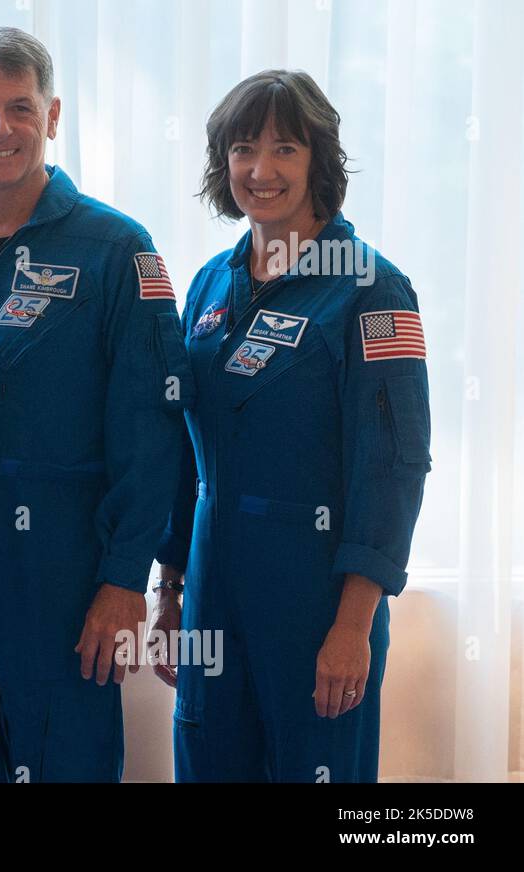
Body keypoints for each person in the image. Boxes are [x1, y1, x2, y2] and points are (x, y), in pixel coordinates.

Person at [0, 27, 191, 782]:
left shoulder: (118, 250)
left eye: (21, 108)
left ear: (52, 116)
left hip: (68, 581)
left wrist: (123, 581)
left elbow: (153, 428)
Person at [149, 69, 431, 782]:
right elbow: (183, 451)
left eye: (285, 149)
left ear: (320, 161)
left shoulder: (373, 288)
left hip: (316, 597)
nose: (261, 170)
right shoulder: (212, 282)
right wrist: (170, 589)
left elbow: (393, 467)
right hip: (214, 585)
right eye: (244, 148)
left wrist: (352, 625)